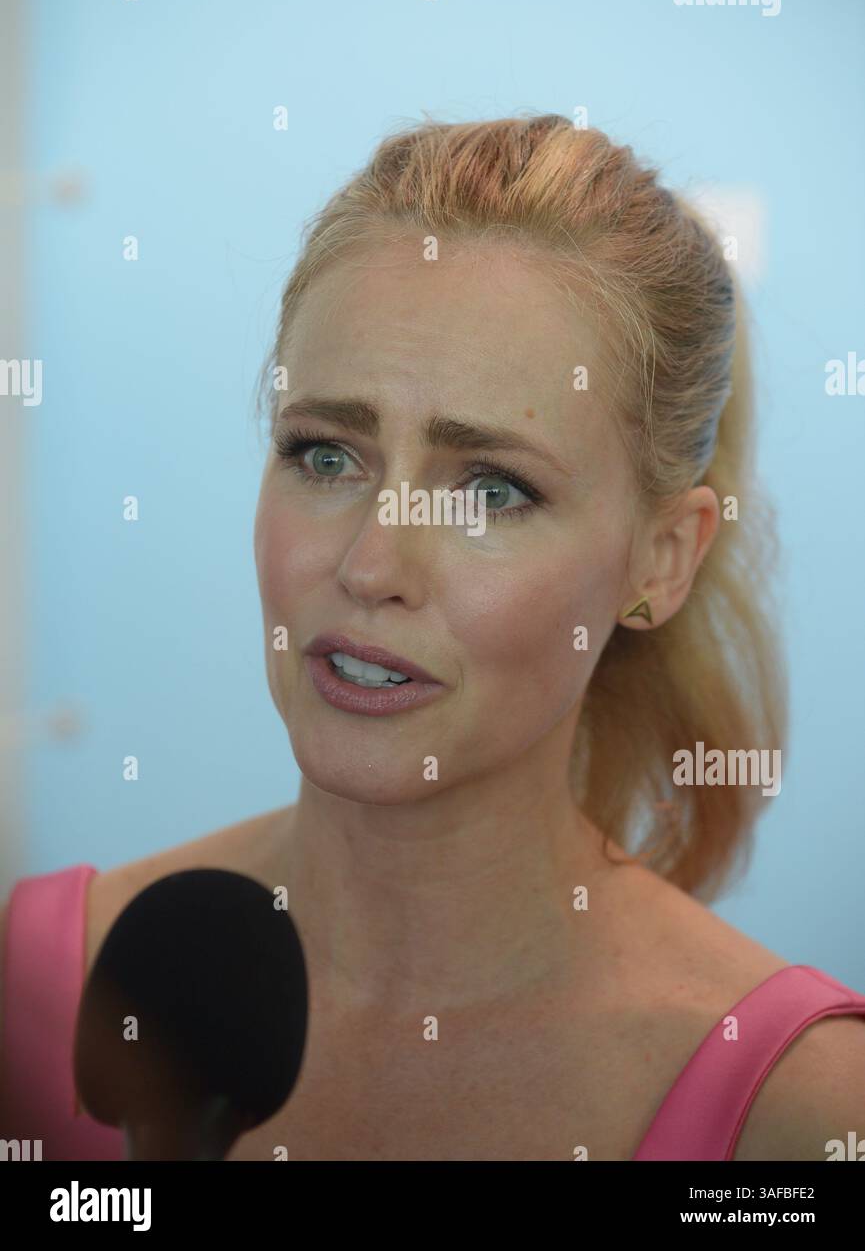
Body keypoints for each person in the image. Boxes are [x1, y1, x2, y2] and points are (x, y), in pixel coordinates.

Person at [2, 115, 864, 1162]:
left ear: (661, 561)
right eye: (325, 456)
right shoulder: (35, 999)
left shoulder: (804, 1113)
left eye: (492, 491)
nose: (369, 566)